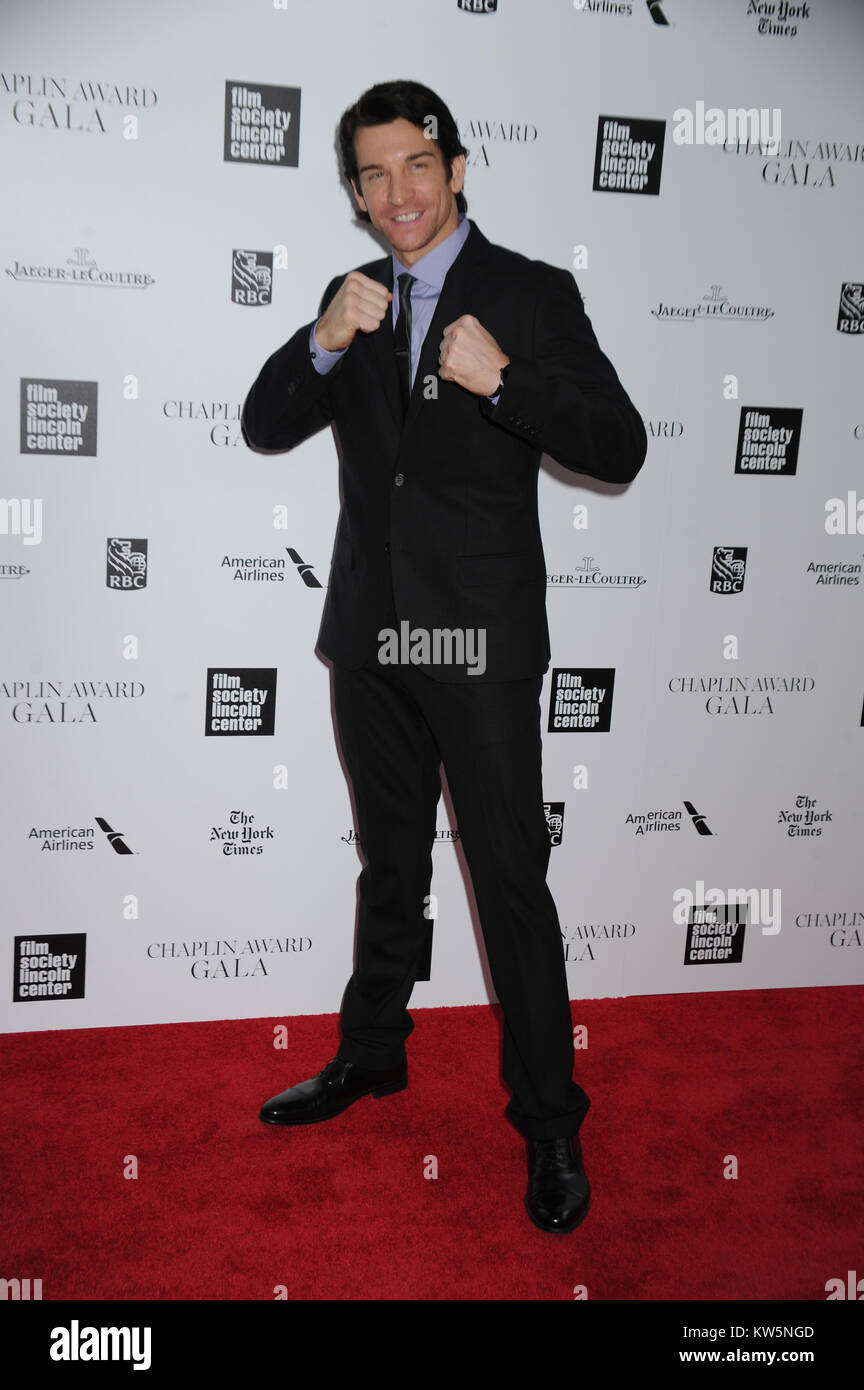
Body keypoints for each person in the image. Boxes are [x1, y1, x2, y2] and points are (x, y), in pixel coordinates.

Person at [241, 79, 647, 1234]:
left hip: (478, 639)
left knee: (510, 879)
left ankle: (552, 1121)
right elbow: (266, 422)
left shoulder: (529, 291)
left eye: (415, 166)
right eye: (371, 175)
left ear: (457, 167)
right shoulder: (353, 298)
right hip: (371, 633)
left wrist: (506, 381)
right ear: (356, 194)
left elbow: (618, 447)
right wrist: (321, 342)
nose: (396, 194)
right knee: (390, 862)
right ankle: (373, 1052)